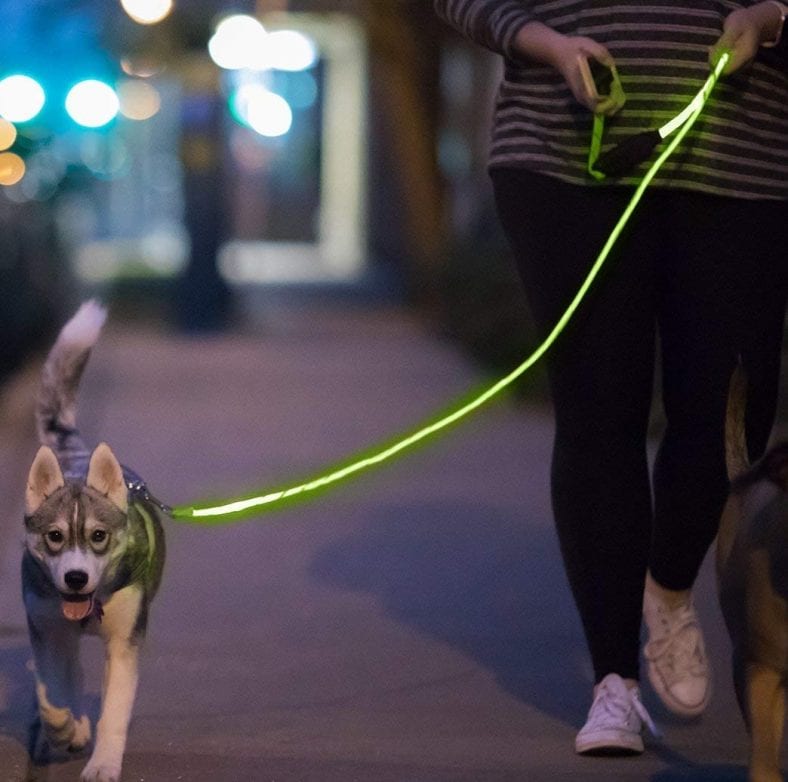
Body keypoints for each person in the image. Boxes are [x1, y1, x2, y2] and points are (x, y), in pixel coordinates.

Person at [434, 0, 788, 756]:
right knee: (598, 415)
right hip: (564, 161)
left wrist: (770, 18)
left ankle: (667, 588)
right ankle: (614, 683)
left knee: (731, 411)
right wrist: (548, 44)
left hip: (741, 158)